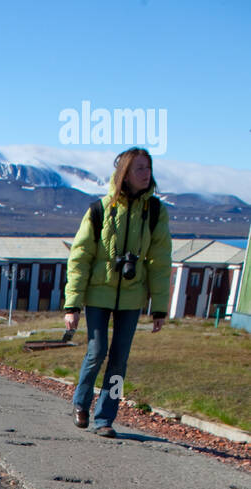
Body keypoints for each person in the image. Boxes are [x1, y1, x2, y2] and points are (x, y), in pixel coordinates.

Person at [63, 147, 172, 437]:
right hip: (99, 293)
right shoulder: (99, 210)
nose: (146, 174)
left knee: (119, 359)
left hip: (132, 297)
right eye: (139, 168)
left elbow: (160, 262)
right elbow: (80, 256)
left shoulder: (156, 212)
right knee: (96, 351)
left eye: (148, 168)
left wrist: (160, 308)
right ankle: (81, 403)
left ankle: (106, 418)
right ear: (124, 173)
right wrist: (72, 305)